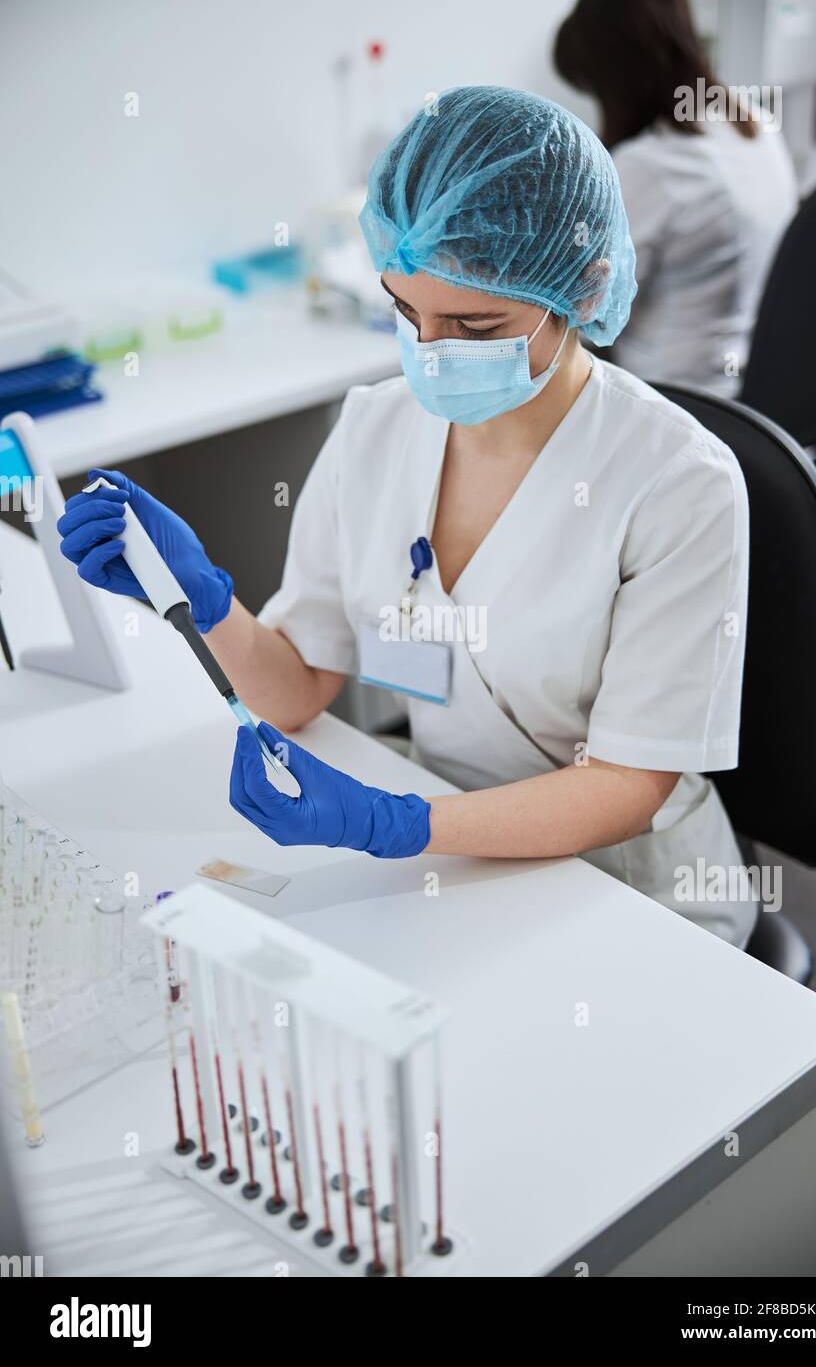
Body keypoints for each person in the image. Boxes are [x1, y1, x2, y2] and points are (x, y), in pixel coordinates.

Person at [57, 85, 756, 947]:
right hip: (458, 859)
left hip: (638, 892)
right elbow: (300, 682)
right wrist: (202, 601)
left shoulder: (679, 482)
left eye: (474, 323)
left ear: (585, 284)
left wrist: (400, 824)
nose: (429, 354)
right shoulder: (375, 430)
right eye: (404, 311)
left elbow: (625, 784)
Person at [554, 0, 799, 396]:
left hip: (677, 394)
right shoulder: (752, 120)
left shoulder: (652, 167)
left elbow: (587, 316)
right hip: (748, 375)